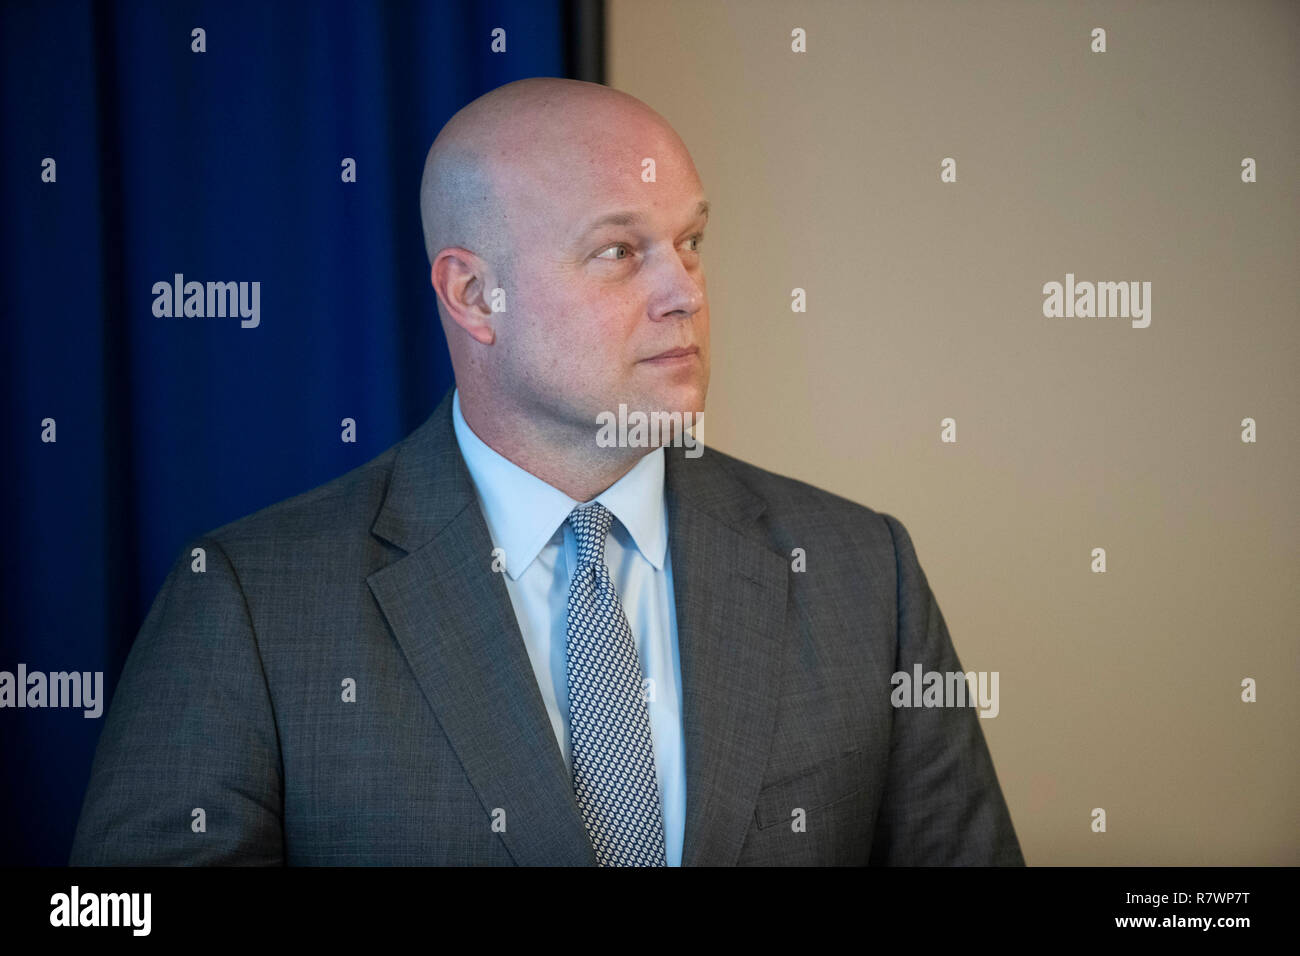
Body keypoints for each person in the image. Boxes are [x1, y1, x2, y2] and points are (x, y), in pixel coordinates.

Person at [70, 77, 1023, 866]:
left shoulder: (862, 570)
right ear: (473, 294)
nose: (684, 292)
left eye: (691, 242)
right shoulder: (251, 601)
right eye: (619, 252)